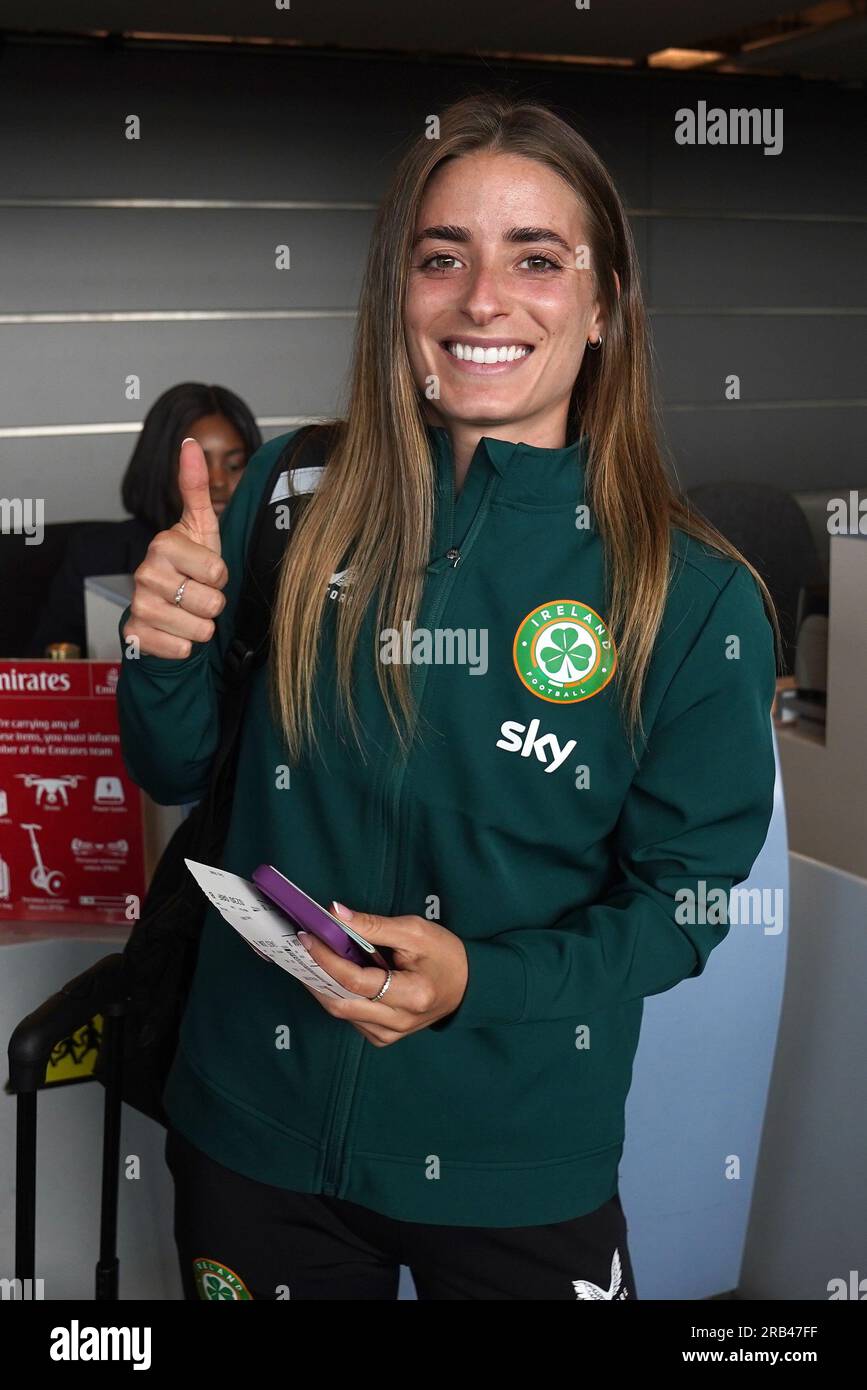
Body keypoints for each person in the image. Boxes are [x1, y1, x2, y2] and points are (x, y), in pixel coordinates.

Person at [116, 94, 780, 1302]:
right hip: (254, 1132)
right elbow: (174, 771)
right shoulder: (288, 495)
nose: (484, 299)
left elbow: (682, 907)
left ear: (603, 303)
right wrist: (161, 650)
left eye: (536, 258)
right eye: (443, 258)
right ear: (400, 294)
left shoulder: (693, 596)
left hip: (518, 1166)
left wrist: (482, 979)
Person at [26, 382, 261, 656]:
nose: (218, 480)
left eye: (234, 465)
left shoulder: (272, 553)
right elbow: (50, 671)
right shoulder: (95, 554)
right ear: (160, 463)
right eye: (198, 463)